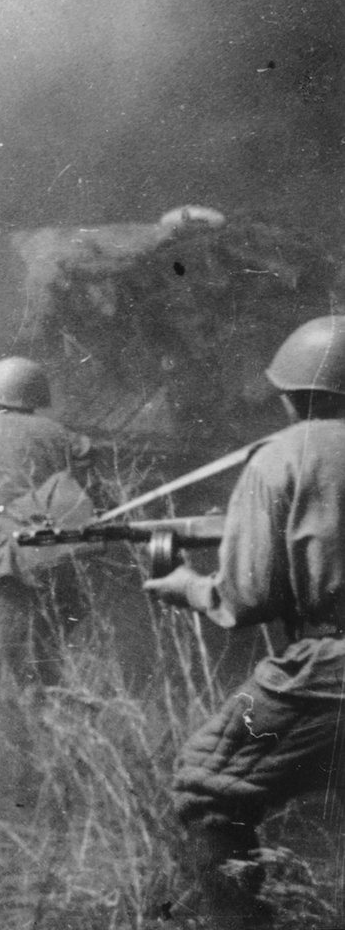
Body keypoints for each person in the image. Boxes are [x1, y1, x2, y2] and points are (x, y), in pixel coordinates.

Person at [144, 315, 345, 929]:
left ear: (290, 398)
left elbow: (248, 597)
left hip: (328, 671)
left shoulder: (282, 456)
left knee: (207, 786)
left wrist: (189, 586)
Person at [0, 356, 95, 780]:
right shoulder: (63, 436)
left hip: (13, 566)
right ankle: (73, 763)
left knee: (16, 671)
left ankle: (33, 773)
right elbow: (86, 473)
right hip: (64, 557)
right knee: (53, 664)